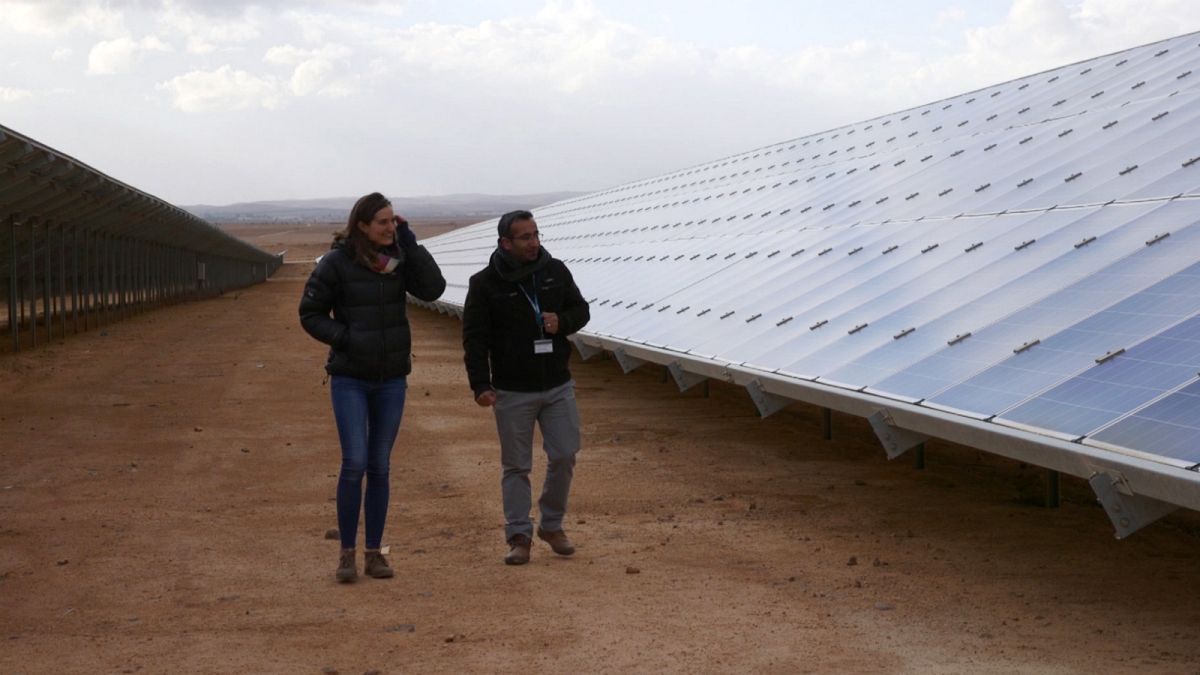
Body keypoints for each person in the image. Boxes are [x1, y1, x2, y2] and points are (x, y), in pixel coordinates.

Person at [299, 192, 446, 583]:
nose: (389, 227)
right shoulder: (337, 263)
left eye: (392, 220)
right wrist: (346, 338)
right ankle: (346, 554)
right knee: (355, 462)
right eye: (382, 221)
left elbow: (433, 289)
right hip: (350, 377)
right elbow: (310, 313)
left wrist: (411, 243)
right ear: (362, 225)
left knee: (380, 465)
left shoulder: (396, 261)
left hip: (391, 378)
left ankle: (374, 553)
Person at [462, 209, 590, 565]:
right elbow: (474, 338)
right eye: (525, 237)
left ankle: (552, 524)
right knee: (517, 466)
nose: (534, 242)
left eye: (536, 235)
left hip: (557, 384)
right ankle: (519, 535)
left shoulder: (555, 271)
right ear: (505, 243)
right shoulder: (485, 283)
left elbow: (581, 310)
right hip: (512, 390)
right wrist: (480, 384)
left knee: (564, 454)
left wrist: (562, 321)